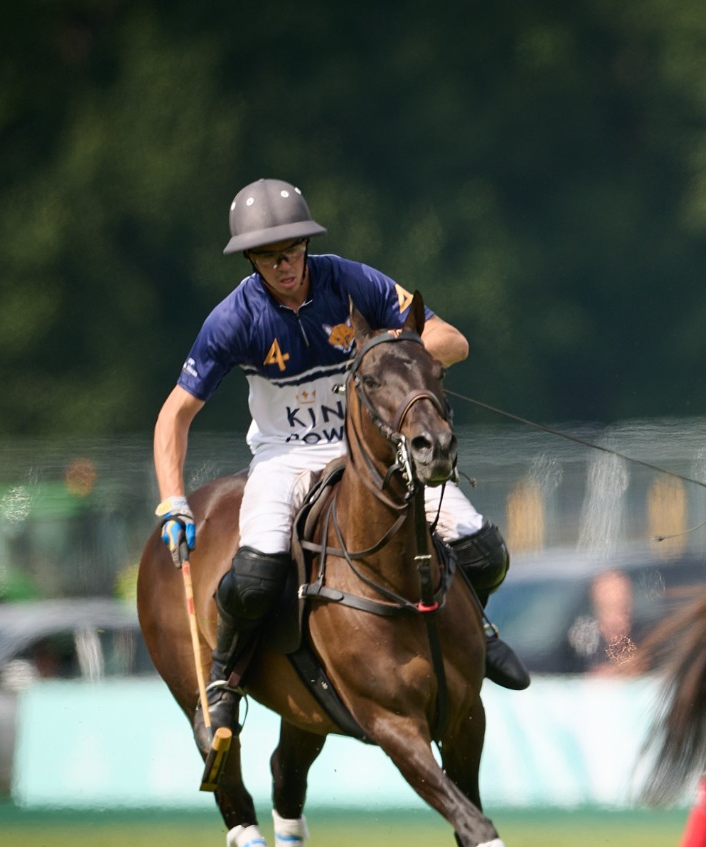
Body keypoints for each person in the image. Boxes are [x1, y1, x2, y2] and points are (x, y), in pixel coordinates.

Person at [153, 178, 529, 769]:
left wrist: (396, 353)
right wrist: (173, 499)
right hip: (283, 456)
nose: (286, 264)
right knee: (254, 573)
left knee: (485, 550)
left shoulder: (352, 281)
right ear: (251, 260)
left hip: (365, 448)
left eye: (294, 249)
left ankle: (476, 631)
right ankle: (223, 682)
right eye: (271, 256)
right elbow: (175, 415)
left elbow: (449, 339)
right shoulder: (235, 318)